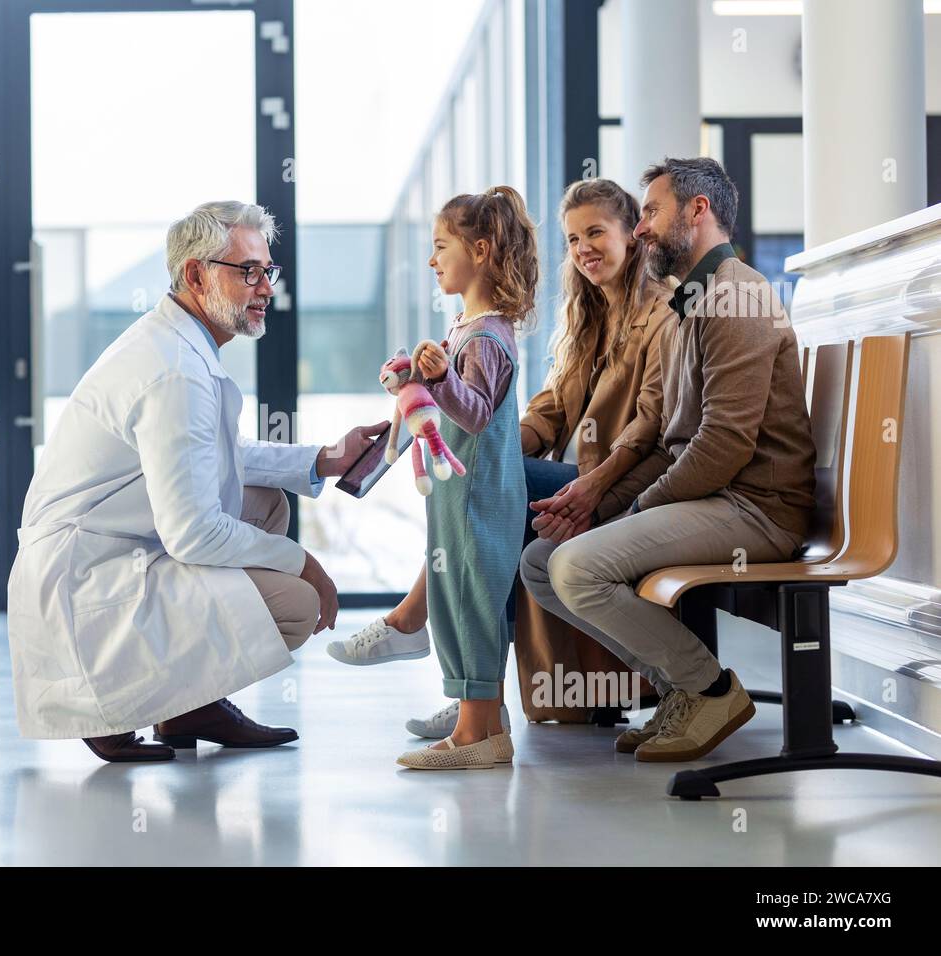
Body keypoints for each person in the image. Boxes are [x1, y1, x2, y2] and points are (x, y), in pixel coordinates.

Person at [6, 200, 387, 763]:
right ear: (195, 274)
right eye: (248, 271)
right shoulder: (173, 369)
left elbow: (219, 455)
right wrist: (303, 562)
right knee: (298, 604)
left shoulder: (177, 342)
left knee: (263, 504)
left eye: (268, 272)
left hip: (119, 551)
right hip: (88, 581)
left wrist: (328, 458)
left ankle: (190, 706)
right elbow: (191, 534)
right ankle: (118, 704)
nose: (264, 288)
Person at [328, 178, 673, 736]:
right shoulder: (586, 317)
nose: (583, 248)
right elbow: (548, 413)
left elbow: (649, 427)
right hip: (580, 474)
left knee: (480, 501)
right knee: (476, 489)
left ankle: (446, 661)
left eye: (596, 233)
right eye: (573, 238)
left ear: (630, 238)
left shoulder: (662, 314)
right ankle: (472, 693)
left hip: (628, 481)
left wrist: (575, 483)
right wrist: (487, 446)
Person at [520, 157, 817, 762]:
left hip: (755, 509)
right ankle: (678, 689)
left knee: (575, 568)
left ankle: (709, 690)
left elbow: (722, 444)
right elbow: (671, 436)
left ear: (698, 210)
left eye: (651, 210)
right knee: (540, 564)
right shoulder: (693, 301)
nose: (643, 226)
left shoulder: (736, 297)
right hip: (715, 499)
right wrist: (608, 503)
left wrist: (632, 510)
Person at [389, 185, 535, 771]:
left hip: (478, 497)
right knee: (455, 597)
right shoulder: (468, 328)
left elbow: (472, 410)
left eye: (440, 246)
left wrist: (442, 376)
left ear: (480, 250)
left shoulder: (486, 336)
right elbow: (449, 400)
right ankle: (481, 720)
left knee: (472, 600)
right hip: (461, 495)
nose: (432, 260)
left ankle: (478, 736)